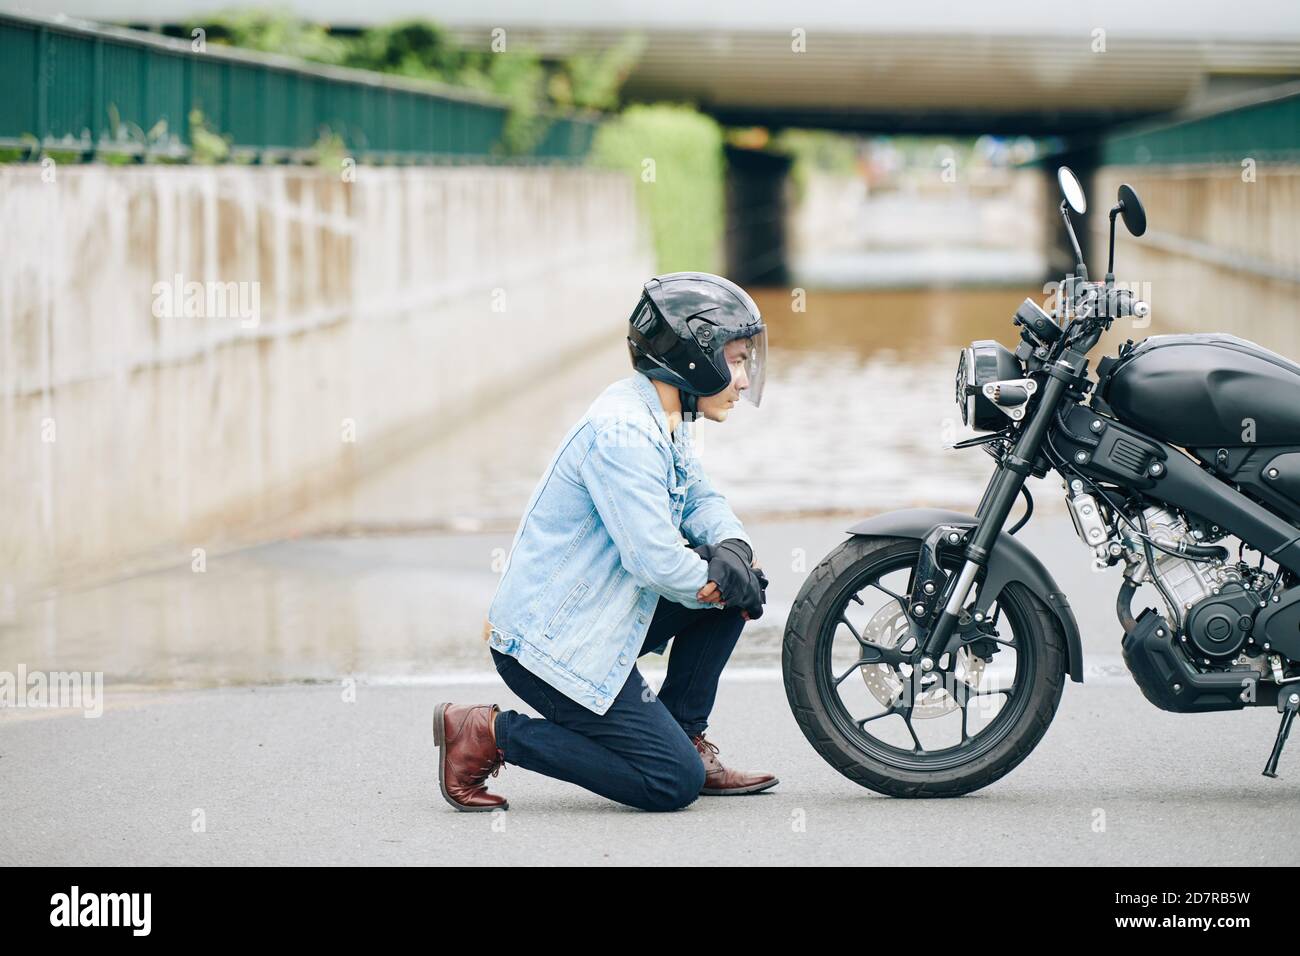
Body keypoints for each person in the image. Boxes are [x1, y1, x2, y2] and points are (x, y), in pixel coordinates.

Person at [433, 272, 776, 812]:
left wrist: (732, 548)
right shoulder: (624, 435)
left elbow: (699, 499)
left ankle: (682, 731)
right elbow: (655, 562)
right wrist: (716, 581)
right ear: (693, 358)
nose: (741, 378)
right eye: (733, 360)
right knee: (671, 783)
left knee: (738, 580)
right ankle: (490, 733)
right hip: (552, 646)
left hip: (602, 619)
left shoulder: (663, 413)